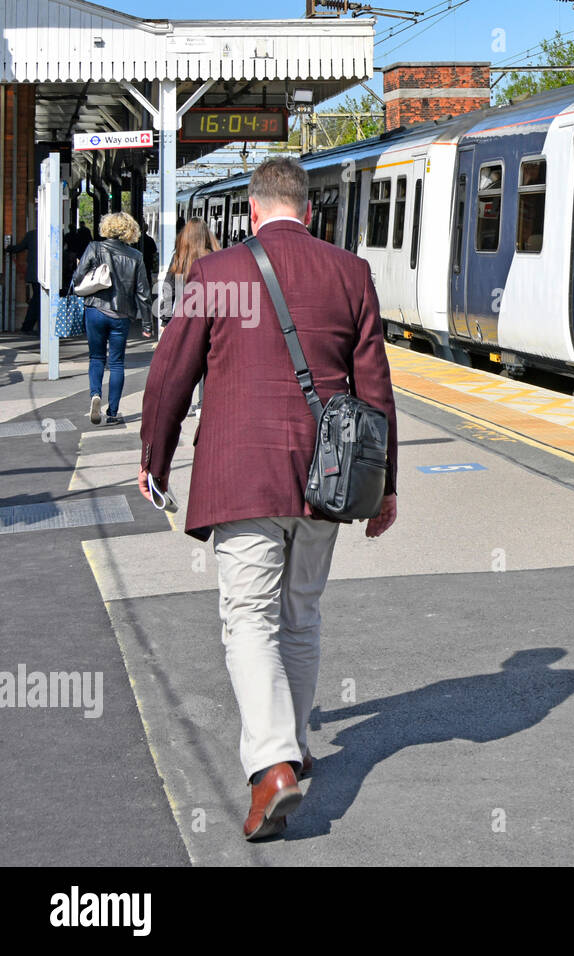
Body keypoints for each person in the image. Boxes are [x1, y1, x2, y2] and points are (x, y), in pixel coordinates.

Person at [137, 157, 399, 841]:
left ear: (252, 212)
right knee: (301, 614)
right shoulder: (351, 273)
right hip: (328, 476)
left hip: (241, 477)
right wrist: (385, 487)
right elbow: (374, 389)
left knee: (248, 619)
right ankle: (296, 741)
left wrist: (154, 463)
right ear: (306, 211)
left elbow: (169, 377)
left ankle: (272, 764)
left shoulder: (217, 277)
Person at [70, 211, 152, 426]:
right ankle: (113, 412)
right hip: (121, 314)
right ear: (129, 230)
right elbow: (143, 293)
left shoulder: (94, 248)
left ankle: (95, 394)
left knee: (96, 358)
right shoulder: (136, 256)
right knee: (116, 363)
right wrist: (146, 324)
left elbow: (78, 277)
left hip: (95, 310)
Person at [160, 219, 221, 419]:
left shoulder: (179, 258)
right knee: (207, 362)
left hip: (184, 317)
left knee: (182, 363)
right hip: (211, 316)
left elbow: (167, 289)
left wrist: (165, 319)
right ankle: (204, 404)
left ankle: (180, 403)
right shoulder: (216, 257)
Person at [3, 212, 39, 334]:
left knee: (37, 299)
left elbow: (19, 247)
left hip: (34, 273)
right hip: (45, 274)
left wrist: (8, 248)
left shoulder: (31, 235)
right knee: (38, 300)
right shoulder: (51, 235)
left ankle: (29, 326)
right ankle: (31, 326)